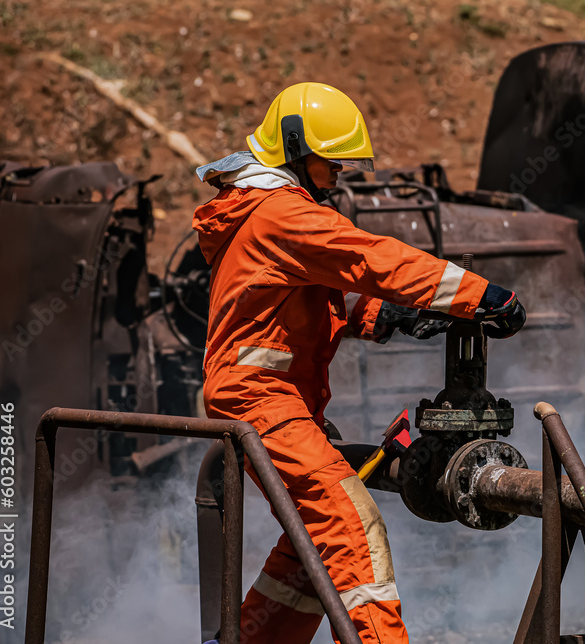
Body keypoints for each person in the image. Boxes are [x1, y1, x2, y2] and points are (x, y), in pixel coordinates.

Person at [192, 82, 526, 644]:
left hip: (269, 399)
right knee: (351, 529)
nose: (337, 176)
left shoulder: (265, 210)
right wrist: (480, 295)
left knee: (310, 544)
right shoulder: (283, 213)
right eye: (330, 163)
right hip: (260, 401)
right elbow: (368, 258)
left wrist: (386, 316)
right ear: (294, 151)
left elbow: (303, 299)